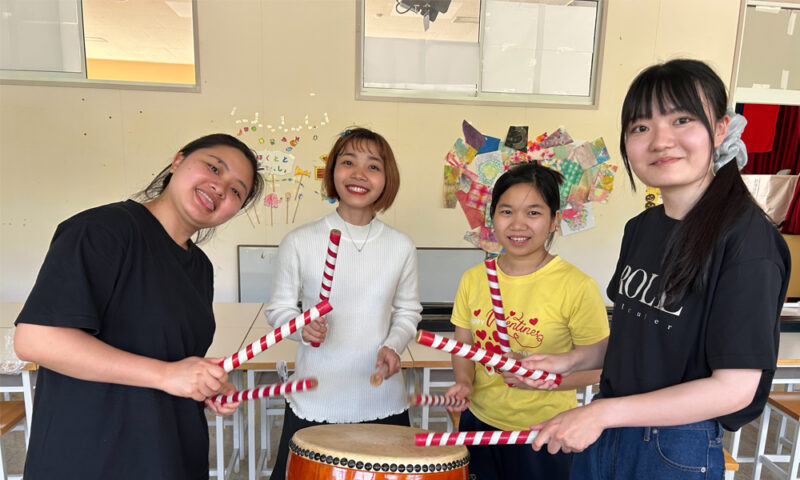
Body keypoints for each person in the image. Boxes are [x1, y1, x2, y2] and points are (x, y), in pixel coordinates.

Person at [519, 59, 791, 479]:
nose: (661, 141)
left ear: (721, 129)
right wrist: (569, 361)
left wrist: (603, 413)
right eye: (641, 127)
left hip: (675, 445)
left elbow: (735, 389)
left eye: (682, 120)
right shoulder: (642, 228)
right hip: (611, 428)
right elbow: (639, 337)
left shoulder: (748, 242)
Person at [14, 133, 265, 479]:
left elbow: (170, 359)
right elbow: (37, 339)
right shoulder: (103, 230)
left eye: (237, 190)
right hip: (93, 460)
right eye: (213, 168)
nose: (221, 188)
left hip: (170, 455)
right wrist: (168, 375)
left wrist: (201, 385)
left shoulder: (200, 268)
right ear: (178, 161)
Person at [264, 127, 422, 479]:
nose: (359, 174)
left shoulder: (400, 246)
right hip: (315, 399)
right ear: (333, 171)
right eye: (348, 162)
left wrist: (394, 345)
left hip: (382, 399)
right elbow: (278, 310)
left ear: (387, 178)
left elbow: (408, 311)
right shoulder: (300, 241)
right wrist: (302, 327)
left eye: (373, 166)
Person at [444, 161, 610, 479]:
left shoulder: (577, 286)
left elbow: (600, 370)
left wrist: (544, 380)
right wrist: (464, 382)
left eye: (533, 212)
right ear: (493, 217)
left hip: (543, 432)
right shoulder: (474, 279)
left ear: (554, 221)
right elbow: (464, 345)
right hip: (479, 423)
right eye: (506, 212)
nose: (518, 224)